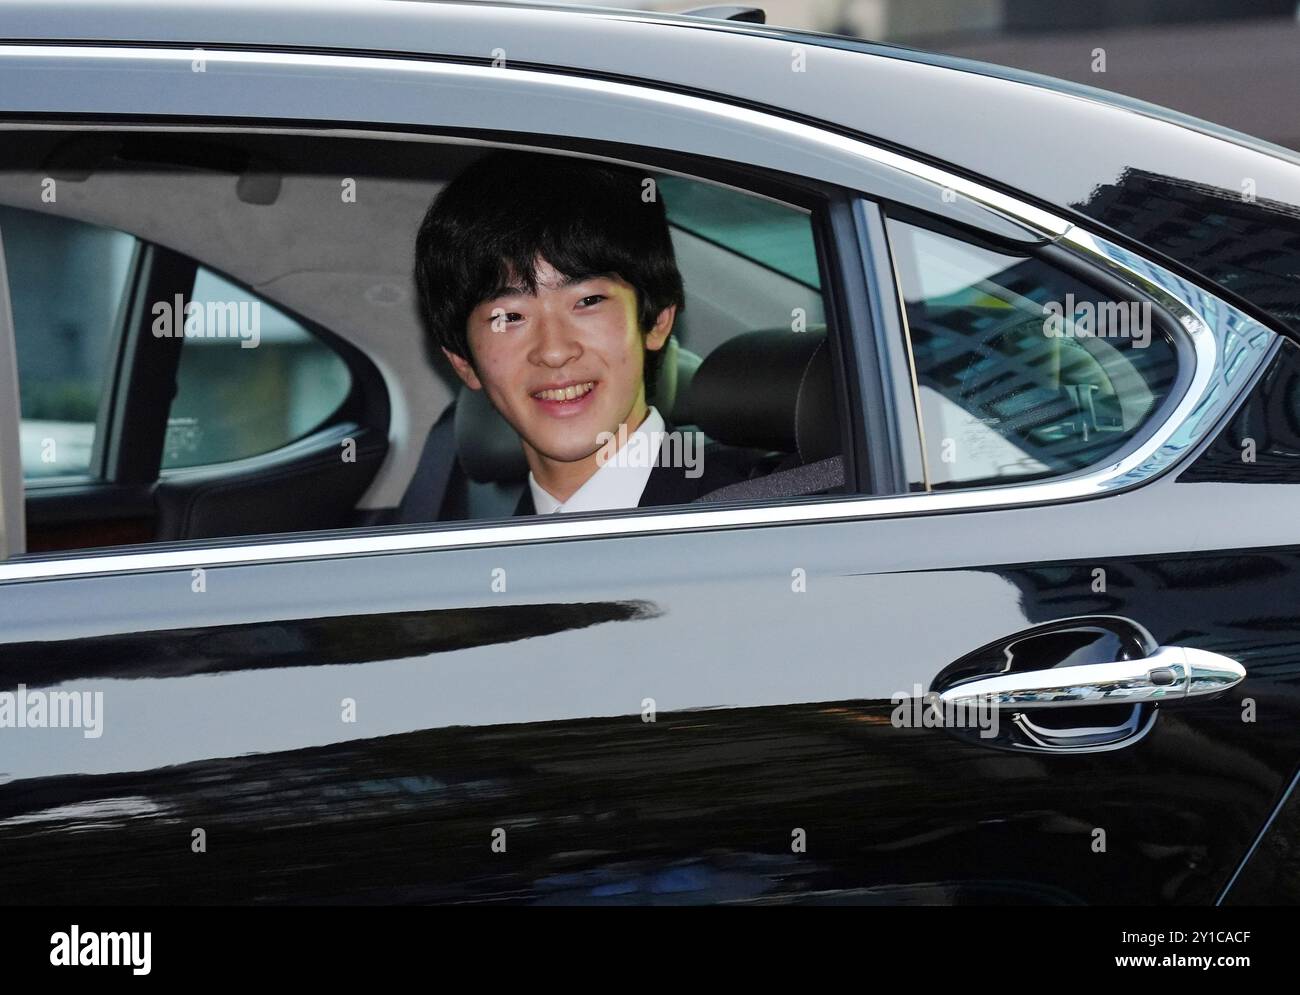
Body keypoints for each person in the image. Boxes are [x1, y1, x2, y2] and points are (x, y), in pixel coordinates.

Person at [414, 150, 743, 515]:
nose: (554, 350)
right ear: (463, 362)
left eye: (588, 301)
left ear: (657, 320)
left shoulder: (762, 514)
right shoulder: (471, 557)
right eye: (509, 317)